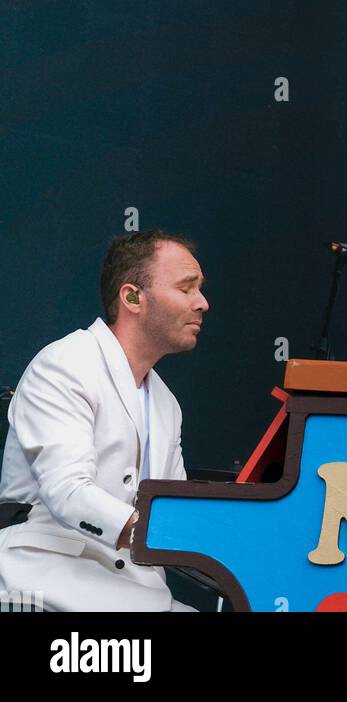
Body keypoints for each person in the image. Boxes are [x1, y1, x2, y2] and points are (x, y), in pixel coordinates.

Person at [0, 228, 207, 611]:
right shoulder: (63, 364)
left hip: (138, 590)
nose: (202, 303)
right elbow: (69, 491)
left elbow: (175, 512)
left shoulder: (166, 403)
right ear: (132, 297)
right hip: (44, 583)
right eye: (186, 288)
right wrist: (153, 529)